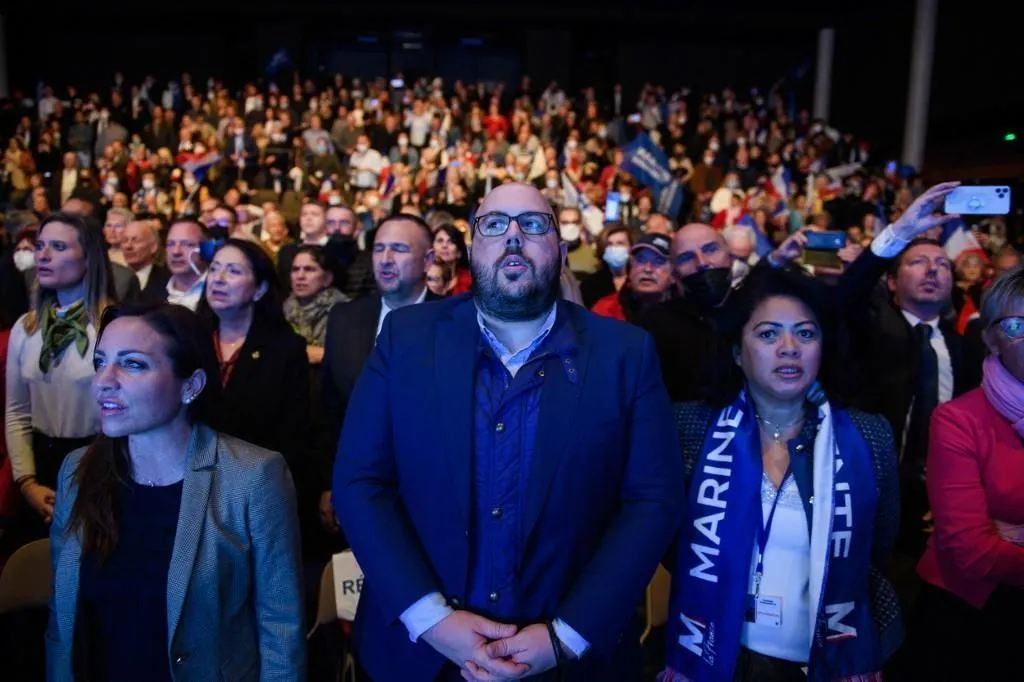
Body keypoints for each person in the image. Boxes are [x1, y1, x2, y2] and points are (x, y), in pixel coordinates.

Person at [333, 183, 683, 681]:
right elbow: (360, 482)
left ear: (560, 252)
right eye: (494, 224)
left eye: (534, 224)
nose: (513, 236)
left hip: (568, 663)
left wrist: (567, 635)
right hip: (420, 656)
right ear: (471, 249)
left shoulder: (625, 354)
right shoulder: (406, 339)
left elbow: (653, 500)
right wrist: (431, 619)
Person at [662, 265, 901, 682]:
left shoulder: (868, 437)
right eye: (769, 334)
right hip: (716, 655)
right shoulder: (689, 430)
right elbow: (670, 543)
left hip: (830, 662)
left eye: (805, 334)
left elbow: (876, 546)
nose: (789, 347)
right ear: (738, 351)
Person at [46, 304, 305, 680]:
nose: (104, 380)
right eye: (101, 362)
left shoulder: (253, 477)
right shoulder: (77, 470)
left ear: (191, 386)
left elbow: (281, 629)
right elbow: (62, 612)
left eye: (133, 364)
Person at [910, 267, 1024, 680]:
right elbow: (971, 551)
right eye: (1017, 325)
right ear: (991, 338)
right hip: (971, 621)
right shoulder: (958, 419)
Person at [315, 214, 440, 543]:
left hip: (431, 498)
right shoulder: (344, 318)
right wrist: (329, 482)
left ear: (428, 259)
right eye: (379, 248)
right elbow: (330, 410)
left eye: (398, 249)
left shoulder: (456, 321)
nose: (385, 260)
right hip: (358, 494)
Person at [5, 212, 111, 542]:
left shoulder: (112, 326)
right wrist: (27, 483)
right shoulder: (26, 328)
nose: (43, 255)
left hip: (98, 467)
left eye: (58, 246)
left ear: (89, 257)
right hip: (39, 467)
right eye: (40, 246)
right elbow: (17, 412)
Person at [196, 239, 311, 477]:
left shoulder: (285, 348)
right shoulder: (191, 339)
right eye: (214, 268)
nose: (219, 278)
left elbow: (294, 434)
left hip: (258, 479)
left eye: (234, 271)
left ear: (259, 289)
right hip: (195, 476)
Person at [284, 245, 349, 364]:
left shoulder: (345, 312)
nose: (300, 276)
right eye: (295, 269)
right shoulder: (283, 310)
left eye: (309, 269)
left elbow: (348, 358)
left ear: (327, 278)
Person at [591, 233, 673, 323]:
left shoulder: (685, 316)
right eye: (641, 260)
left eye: (658, 261)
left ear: (674, 274)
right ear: (630, 269)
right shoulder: (605, 310)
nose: (648, 268)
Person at [163, 218, 209, 311]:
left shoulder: (218, 289)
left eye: (187, 244)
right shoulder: (152, 291)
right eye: (170, 244)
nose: (176, 252)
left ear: (207, 249)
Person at [432, 223, 472, 295]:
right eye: (440, 241)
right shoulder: (421, 281)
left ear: (459, 252)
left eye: (450, 242)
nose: (444, 245)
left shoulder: (469, 283)